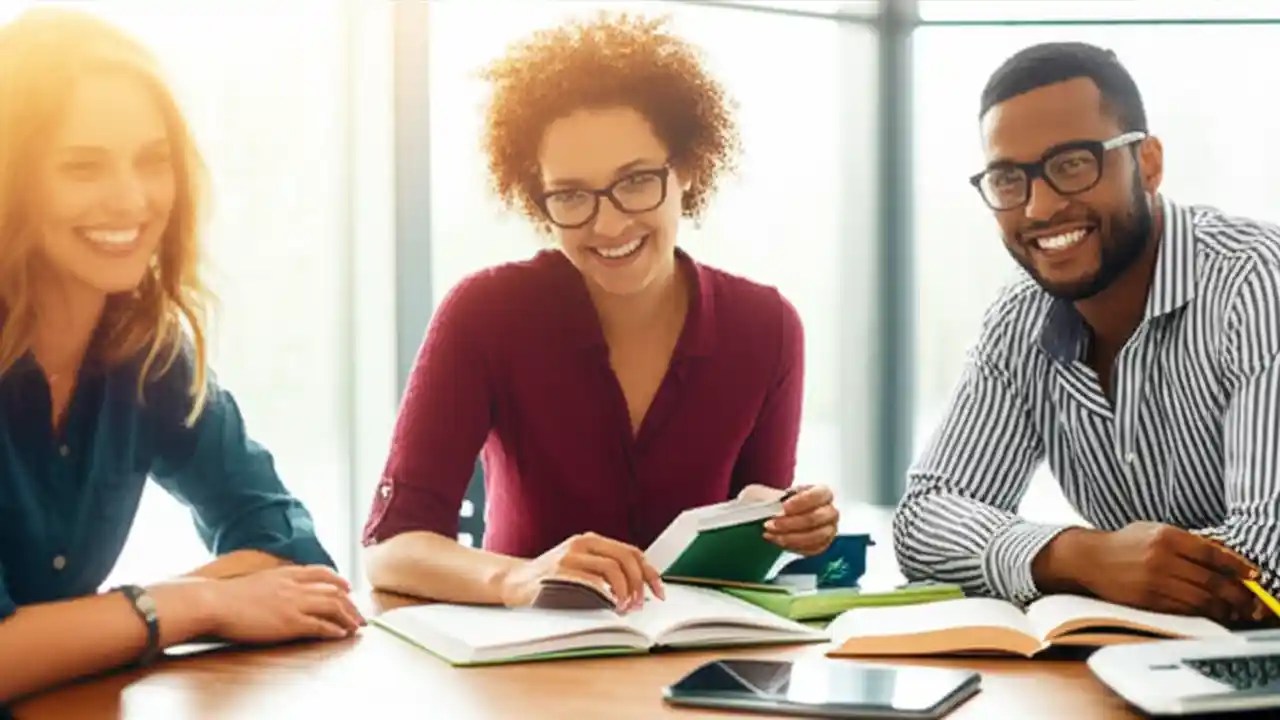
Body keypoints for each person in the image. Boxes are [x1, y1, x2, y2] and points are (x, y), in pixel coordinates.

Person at [363, 13, 839, 611]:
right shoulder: (484, 314)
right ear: (539, 195)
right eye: (571, 196)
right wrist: (516, 578)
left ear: (686, 168)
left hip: (694, 667)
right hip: (526, 668)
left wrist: (792, 525)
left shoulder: (766, 328)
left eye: (636, 181)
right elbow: (391, 546)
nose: (607, 224)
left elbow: (752, 530)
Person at [0, 9, 363, 704]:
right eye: (83, 167)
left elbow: (295, 558)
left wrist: (101, 622)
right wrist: (190, 605)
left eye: (152, 160)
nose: (132, 199)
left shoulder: (148, 353)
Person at [893, 41, 1280, 626]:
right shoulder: (1019, 320)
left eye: (1073, 164)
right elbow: (924, 521)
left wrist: (1125, 569)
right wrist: (1075, 555)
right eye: (1007, 180)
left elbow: (1264, 552)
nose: (1039, 208)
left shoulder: (1255, 283)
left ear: (1148, 163)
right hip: (1148, 671)